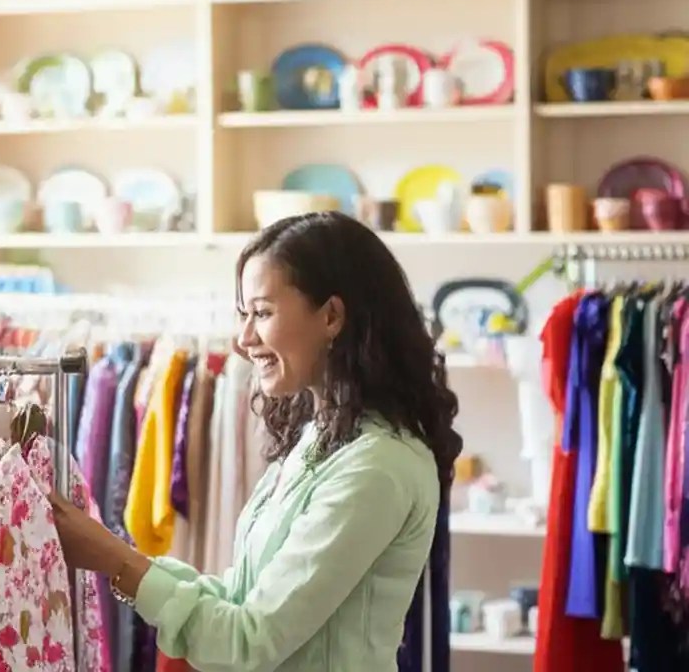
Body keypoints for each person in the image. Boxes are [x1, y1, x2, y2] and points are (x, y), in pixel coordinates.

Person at [50, 211, 463, 672]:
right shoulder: (320, 441)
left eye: (262, 313)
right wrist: (115, 555)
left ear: (331, 316)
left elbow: (247, 642)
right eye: (244, 314)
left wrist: (113, 559)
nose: (243, 339)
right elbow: (240, 595)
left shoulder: (377, 467)